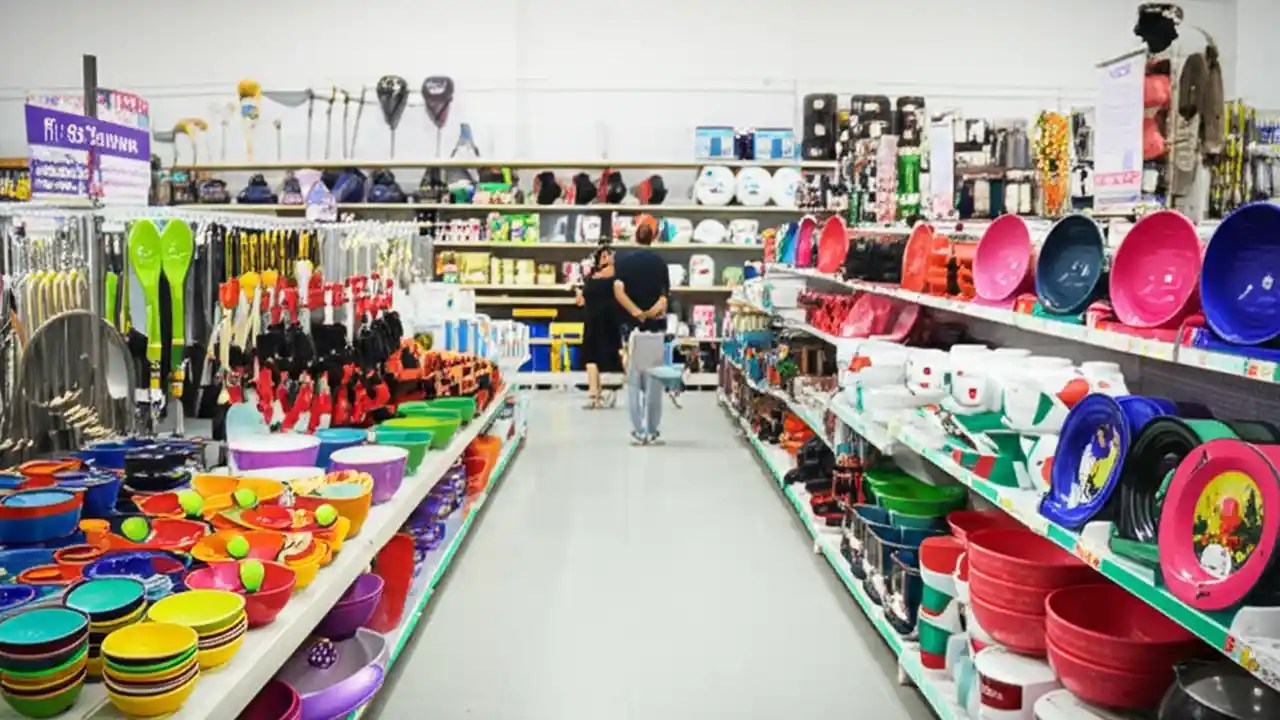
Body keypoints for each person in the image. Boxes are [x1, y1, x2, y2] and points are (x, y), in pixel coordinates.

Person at [613, 215, 670, 444]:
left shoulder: (624, 262)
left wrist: (636, 313)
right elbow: (663, 300)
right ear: (654, 236)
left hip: (631, 331)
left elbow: (618, 291)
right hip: (654, 330)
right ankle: (652, 430)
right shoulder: (660, 264)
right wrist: (648, 314)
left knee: (634, 383)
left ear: (635, 234)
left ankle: (638, 430)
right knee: (654, 382)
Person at [574, 245, 623, 408]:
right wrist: (579, 295)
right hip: (591, 320)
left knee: (608, 356)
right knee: (590, 357)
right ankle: (594, 395)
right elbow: (584, 298)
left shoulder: (618, 277)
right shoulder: (591, 276)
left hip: (609, 321)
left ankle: (609, 391)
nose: (605, 258)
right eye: (602, 255)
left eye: (608, 255)